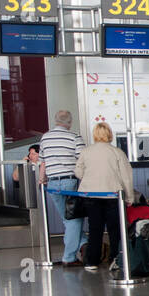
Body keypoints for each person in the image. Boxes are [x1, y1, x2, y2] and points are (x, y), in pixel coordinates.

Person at [74, 122, 135, 273]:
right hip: (112, 195)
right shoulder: (117, 152)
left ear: (95, 134)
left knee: (95, 229)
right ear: (109, 134)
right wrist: (129, 197)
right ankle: (115, 259)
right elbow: (126, 177)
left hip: (91, 196)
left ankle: (91, 261)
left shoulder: (86, 152)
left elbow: (78, 172)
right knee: (115, 230)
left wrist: (89, 178)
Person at [37, 110, 87, 266]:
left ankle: (84, 245)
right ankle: (69, 257)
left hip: (52, 183)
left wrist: (41, 179)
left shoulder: (45, 138)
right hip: (70, 182)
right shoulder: (74, 137)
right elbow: (83, 160)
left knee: (68, 219)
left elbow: (42, 162)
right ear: (69, 123)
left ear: (55, 121)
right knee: (74, 220)